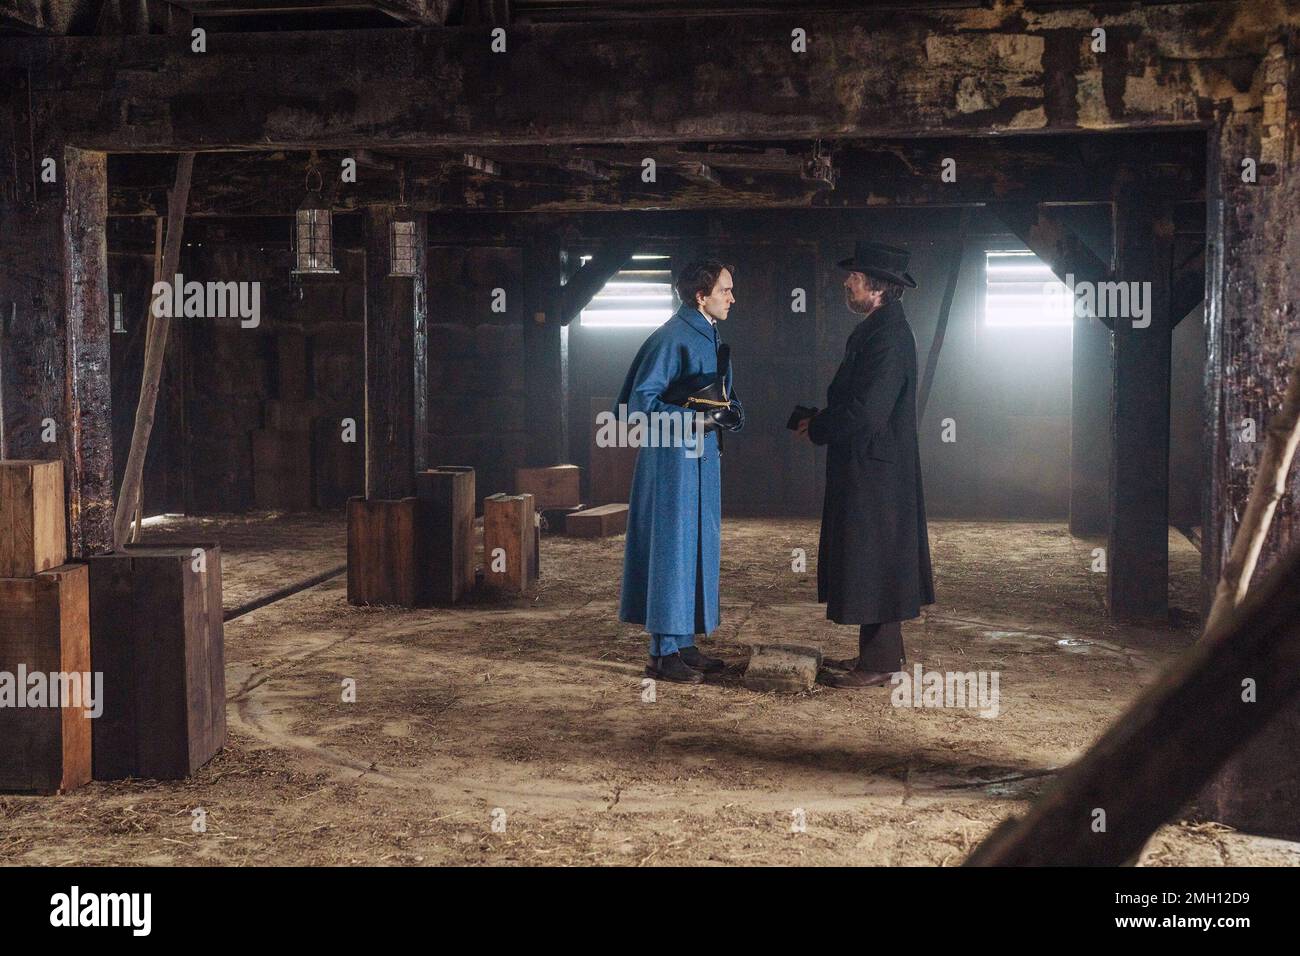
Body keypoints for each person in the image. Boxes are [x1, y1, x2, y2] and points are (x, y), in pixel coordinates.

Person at [794, 240, 935, 688]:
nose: (846, 283)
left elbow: (869, 410)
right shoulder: (881, 327)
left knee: (874, 557)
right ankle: (880, 658)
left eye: (853, 278)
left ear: (876, 287)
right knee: (876, 556)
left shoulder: (888, 334)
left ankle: (878, 665)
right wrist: (822, 420)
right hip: (872, 462)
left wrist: (820, 428)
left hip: (875, 467)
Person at [617, 259, 744, 684]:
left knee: (697, 545)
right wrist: (695, 420)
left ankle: (684, 642)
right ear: (700, 295)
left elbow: (722, 395)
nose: (732, 297)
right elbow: (638, 407)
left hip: (702, 459)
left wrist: (729, 414)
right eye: (725, 290)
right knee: (672, 548)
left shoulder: (710, 333)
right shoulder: (671, 337)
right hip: (671, 462)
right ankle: (662, 652)